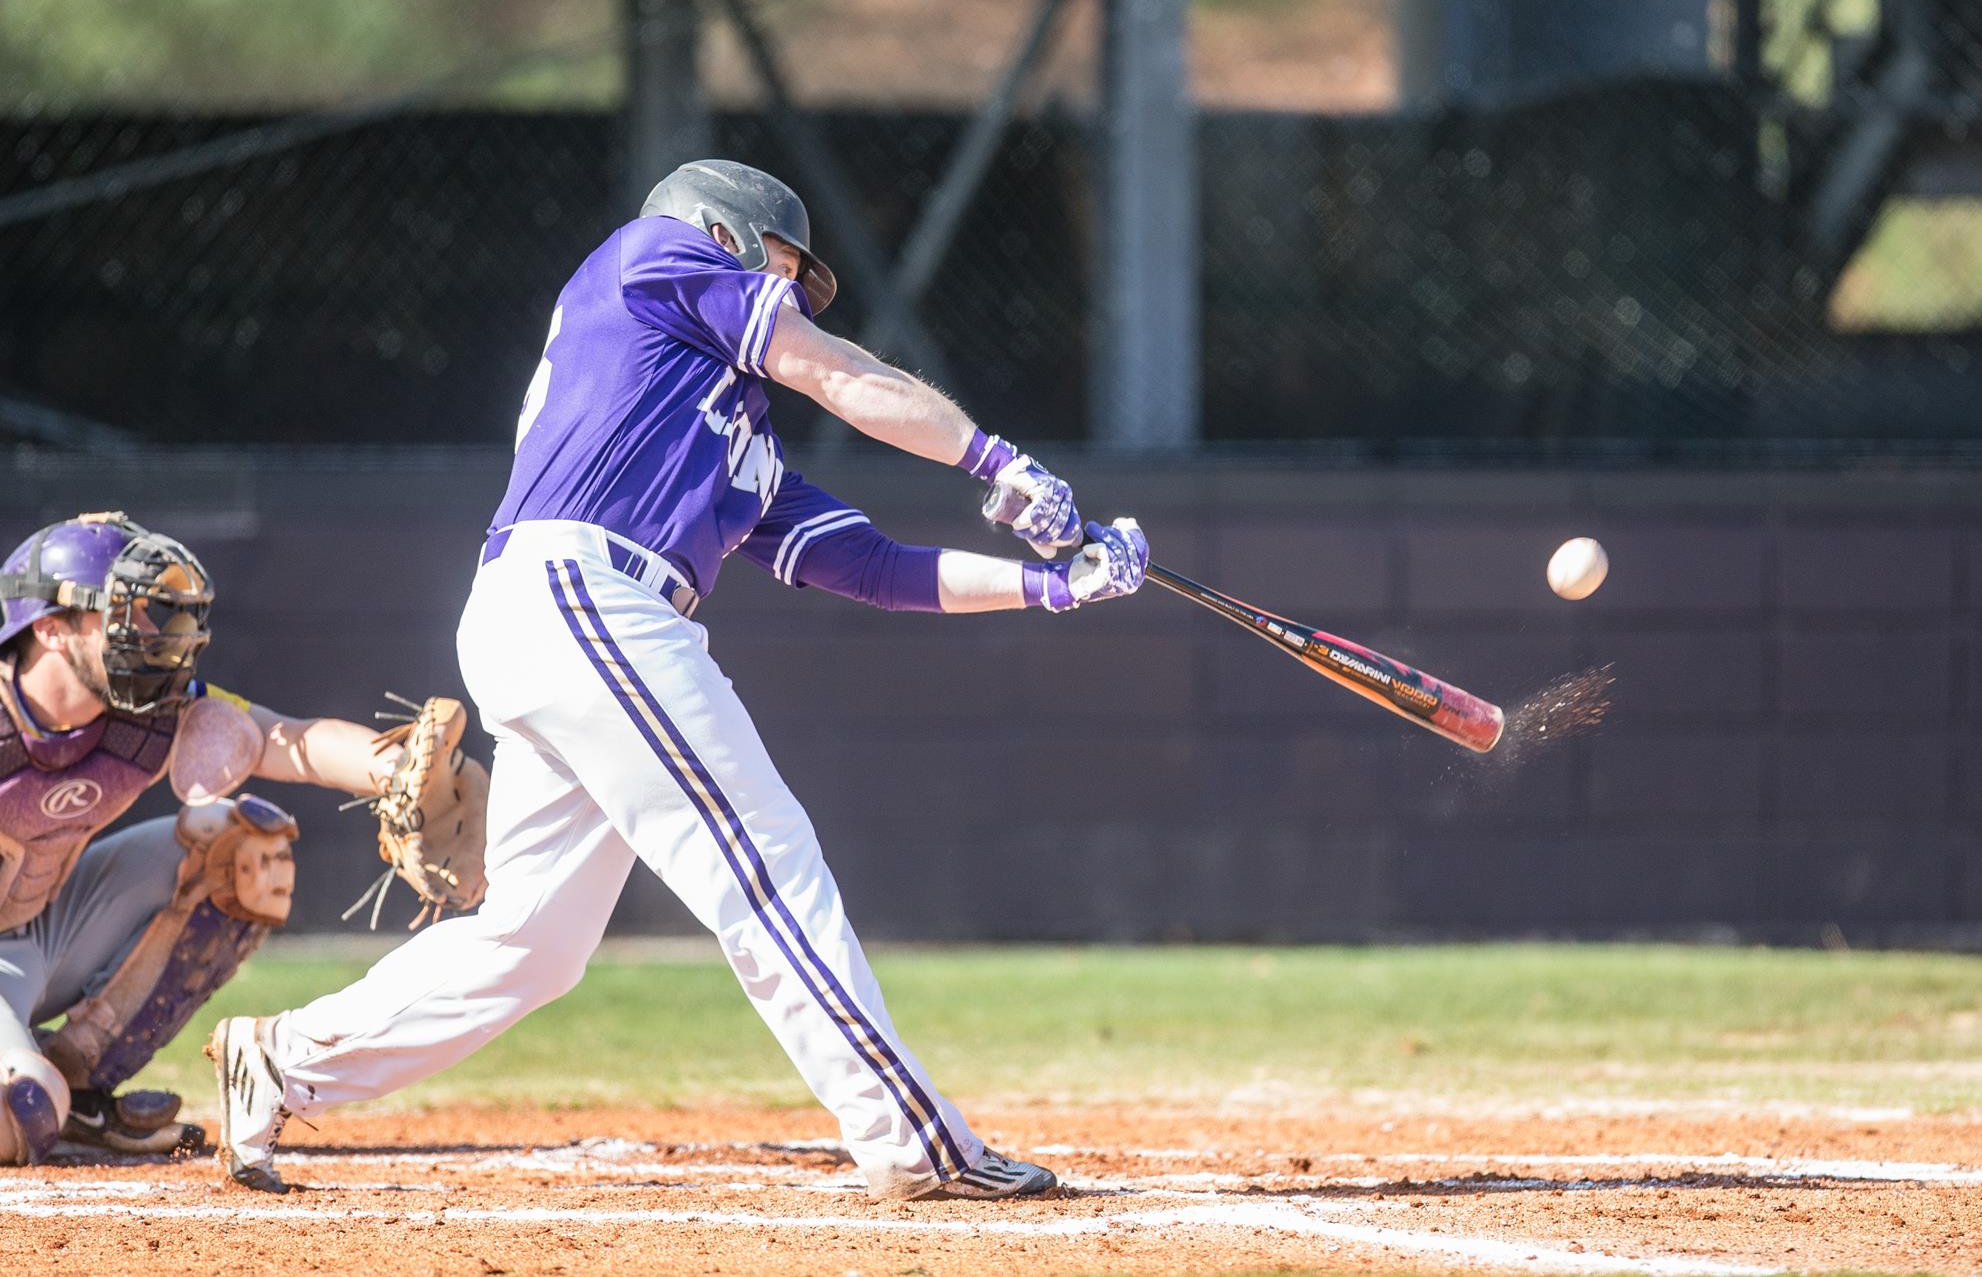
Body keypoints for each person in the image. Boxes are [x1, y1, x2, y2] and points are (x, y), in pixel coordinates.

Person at [208, 159, 1148, 1199]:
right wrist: (996, 462)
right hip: (582, 592)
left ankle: (287, 1054)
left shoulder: (728, 432)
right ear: (724, 237)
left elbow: (876, 567)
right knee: (767, 863)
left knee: (534, 944)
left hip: (567, 620)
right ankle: (911, 1141)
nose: (786, 291)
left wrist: (1055, 586)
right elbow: (828, 366)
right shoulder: (649, 257)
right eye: (780, 265)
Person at [0, 512, 457, 1163]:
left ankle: (77, 1084)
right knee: (18, 1107)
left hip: (39, 929)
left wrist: (400, 773)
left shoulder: (147, 711)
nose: (152, 637)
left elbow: (290, 742)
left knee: (246, 853)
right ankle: (42, 1088)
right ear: (49, 626)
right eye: (125, 616)